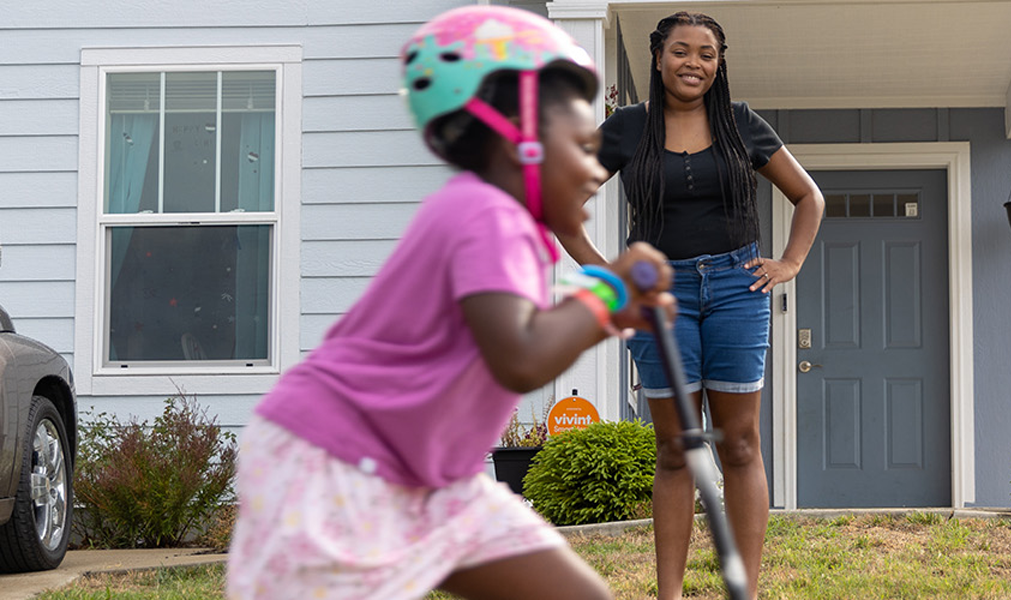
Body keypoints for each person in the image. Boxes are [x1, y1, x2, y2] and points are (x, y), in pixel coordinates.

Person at [225, 7, 674, 600]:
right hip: (337, 460)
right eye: (582, 146)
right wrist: (609, 292)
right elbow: (519, 356)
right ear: (522, 141)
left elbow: (527, 335)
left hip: (433, 480)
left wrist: (607, 314)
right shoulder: (482, 214)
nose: (596, 170)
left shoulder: (511, 231)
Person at [557, 11, 825, 600]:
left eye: (706, 54)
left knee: (741, 443)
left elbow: (808, 195)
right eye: (681, 51)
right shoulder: (628, 128)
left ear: (719, 63)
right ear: (658, 58)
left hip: (738, 288)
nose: (694, 64)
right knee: (677, 448)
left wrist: (789, 263)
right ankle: (670, 593)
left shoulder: (741, 125)